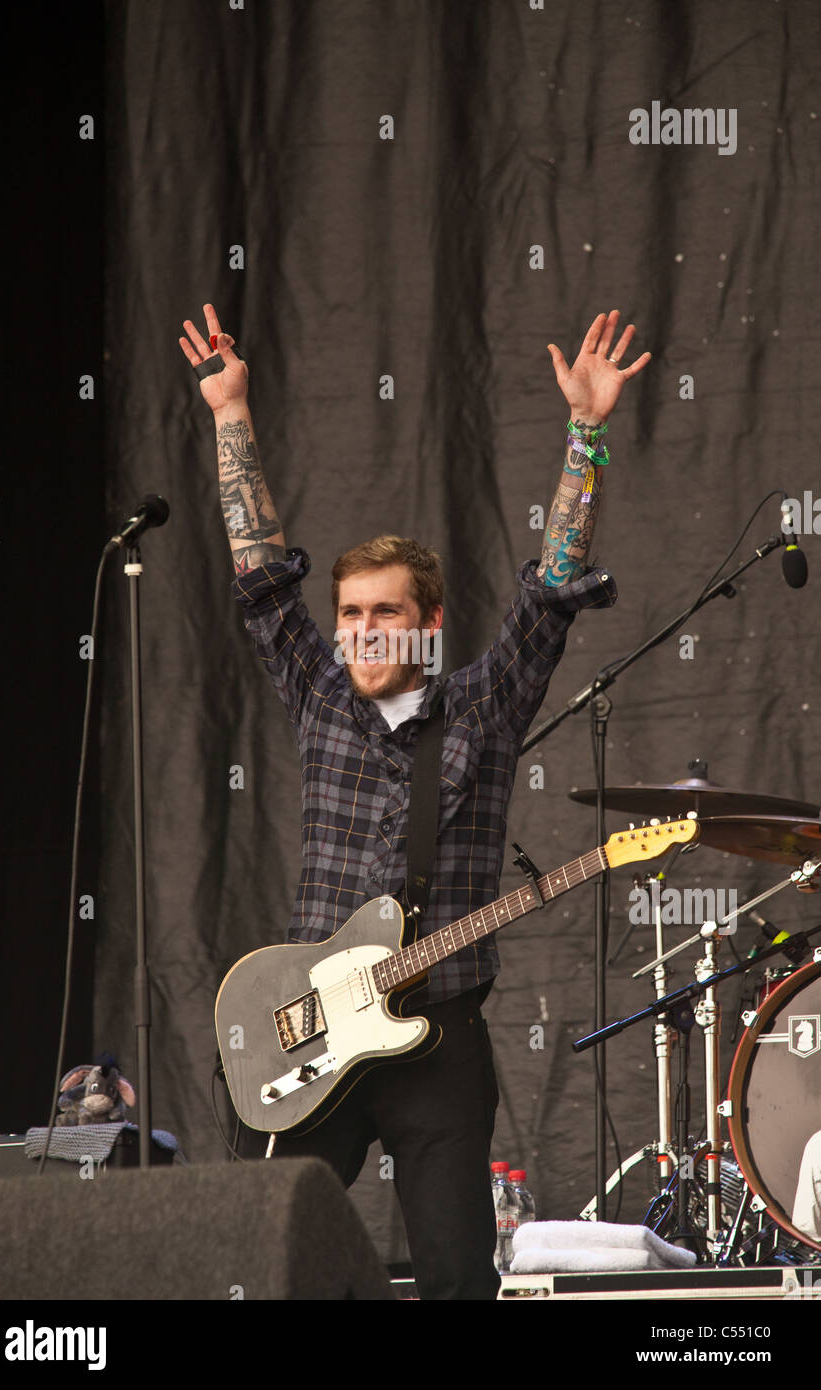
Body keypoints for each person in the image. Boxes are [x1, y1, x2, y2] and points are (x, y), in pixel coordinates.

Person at [179, 305, 650, 1298]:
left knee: (454, 1275)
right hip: (307, 1027)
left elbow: (554, 583)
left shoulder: (483, 702)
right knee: (258, 1261)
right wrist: (229, 412)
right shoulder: (319, 695)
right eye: (348, 613)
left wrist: (586, 431)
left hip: (438, 1033)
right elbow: (261, 572)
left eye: (381, 612)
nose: (358, 630)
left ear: (426, 622)